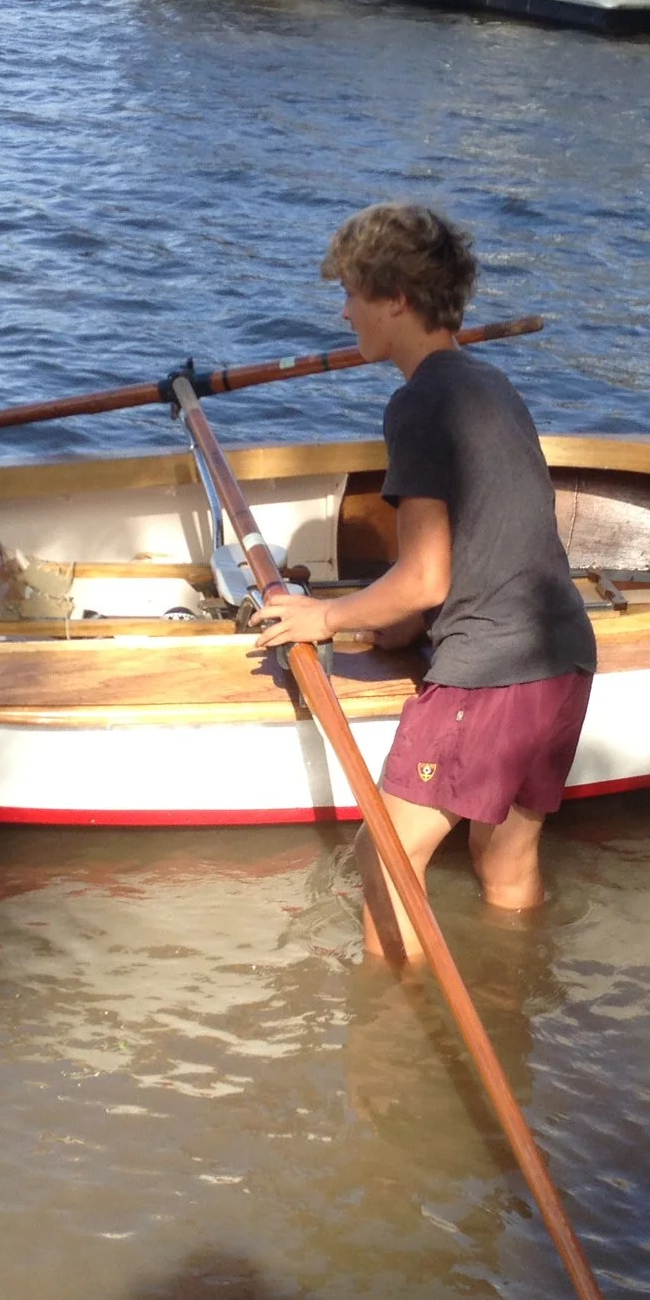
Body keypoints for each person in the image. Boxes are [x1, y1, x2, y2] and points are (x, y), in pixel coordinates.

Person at [252, 204, 598, 966]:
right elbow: (475, 551)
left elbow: (425, 575)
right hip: (564, 659)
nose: (343, 310)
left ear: (395, 297)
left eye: (350, 292)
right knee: (505, 865)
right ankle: (515, 1005)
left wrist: (325, 616)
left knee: (387, 871)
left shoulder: (418, 402)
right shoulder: (489, 383)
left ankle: (394, 1055)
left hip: (492, 676)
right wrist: (398, 627)